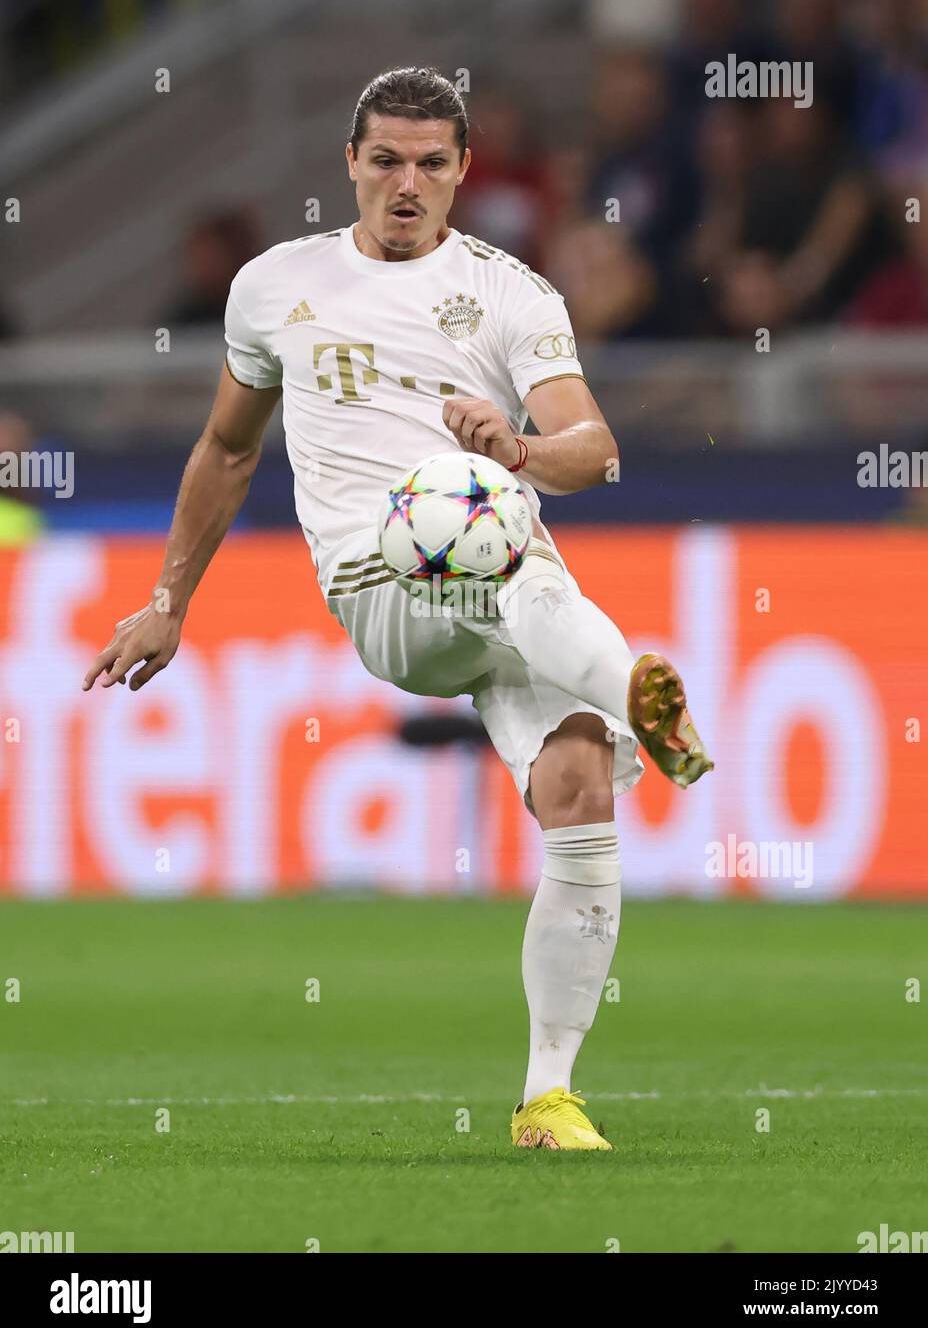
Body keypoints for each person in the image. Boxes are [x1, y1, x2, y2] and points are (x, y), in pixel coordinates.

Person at [82, 67, 713, 1152]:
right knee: (487, 519)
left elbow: (593, 449)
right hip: (385, 588)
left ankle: (547, 1098)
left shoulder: (513, 293)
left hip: (506, 566)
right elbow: (229, 448)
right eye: (385, 160)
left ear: (464, 170)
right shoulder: (276, 285)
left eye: (430, 162)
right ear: (350, 165)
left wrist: (516, 446)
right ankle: (641, 695)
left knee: (574, 781)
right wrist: (164, 603)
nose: (406, 183)